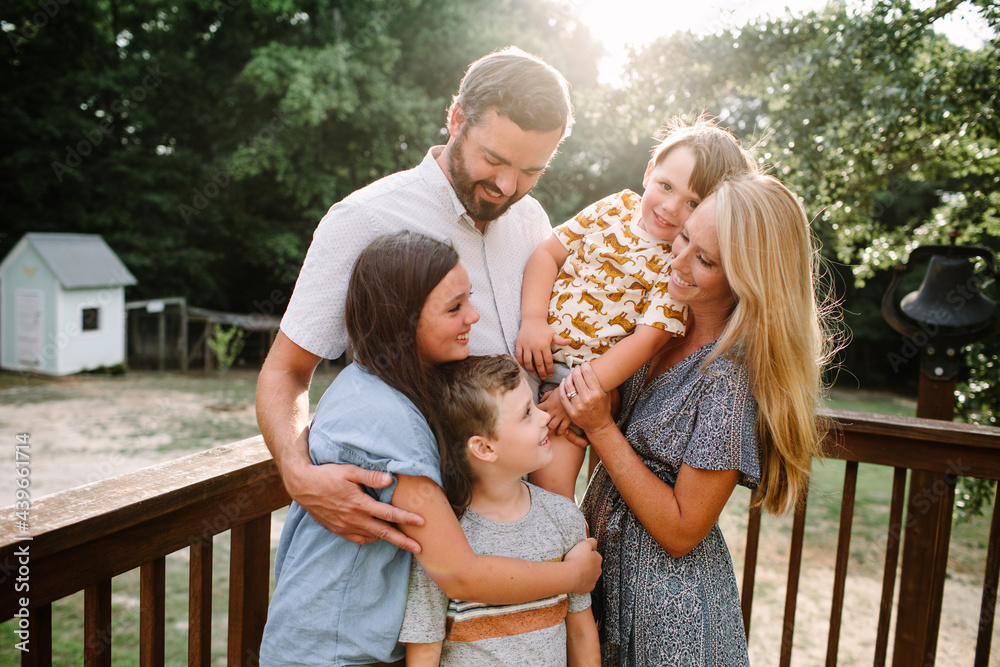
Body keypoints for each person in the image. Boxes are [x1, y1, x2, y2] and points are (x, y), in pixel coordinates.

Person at [255, 46, 574, 552]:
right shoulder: (362, 218)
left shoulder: (533, 221)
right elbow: (286, 371)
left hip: (522, 522)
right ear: (455, 119)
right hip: (409, 537)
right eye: (493, 159)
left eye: (531, 171)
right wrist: (297, 474)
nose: (507, 186)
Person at [260, 233, 601, 667]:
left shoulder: (373, 381)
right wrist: (572, 575)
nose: (473, 317)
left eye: (469, 300)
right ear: (403, 323)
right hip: (332, 652)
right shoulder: (387, 421)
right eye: (454, 308)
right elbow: (460, 574)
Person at [560, 173, 836, 665]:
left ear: (747, 278)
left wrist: (602, 428)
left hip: (670, 620)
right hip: (609, 586)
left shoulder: (729, 377)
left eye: (704, 260)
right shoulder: (661, 326)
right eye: (684, 237)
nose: (678, 261)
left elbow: (684, 529)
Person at [516, 117, 757, 498]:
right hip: (527, 356)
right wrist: (531, 319)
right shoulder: (613, 209)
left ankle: (566, 556)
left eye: (692, 202)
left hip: (579, 381)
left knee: (551, 491)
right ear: (649, 172)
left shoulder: (676, 266)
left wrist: (573, 394)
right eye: (665, 186)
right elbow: (549, 252)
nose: (671, 207)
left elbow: (646, 341)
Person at [400, 355, 600, 667]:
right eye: (526, 414)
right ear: (484, 449)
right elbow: (425, 649)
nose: (544, 417)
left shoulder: (564, 519)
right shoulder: (445, 538)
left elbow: (581, 635)